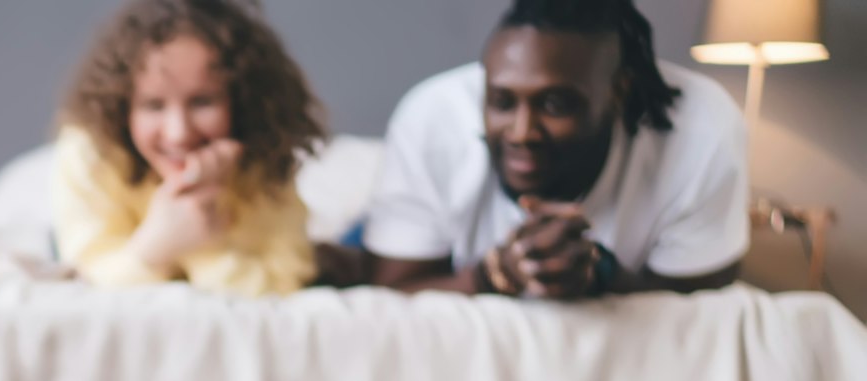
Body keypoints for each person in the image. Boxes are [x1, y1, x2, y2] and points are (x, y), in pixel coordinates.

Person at [368, 0, 748, 299]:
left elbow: (698, 312)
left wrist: (601, 272)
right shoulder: (433, 119)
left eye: (554, 105)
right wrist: (494, 273)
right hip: (434, 236)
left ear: (619, 92)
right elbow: (391, 294)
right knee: (348, 256)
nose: (522, 133)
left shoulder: (701, 129)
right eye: (502, 102)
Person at [52, 0, 326, 296]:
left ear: (242, 101)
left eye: (202, 102)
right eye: (153, 105)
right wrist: (157, 244)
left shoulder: (267, 163)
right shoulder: (91, 155)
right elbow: (86, 285)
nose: (178, 133)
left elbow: (285, 286)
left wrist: (203, 243)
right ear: (122, 107)